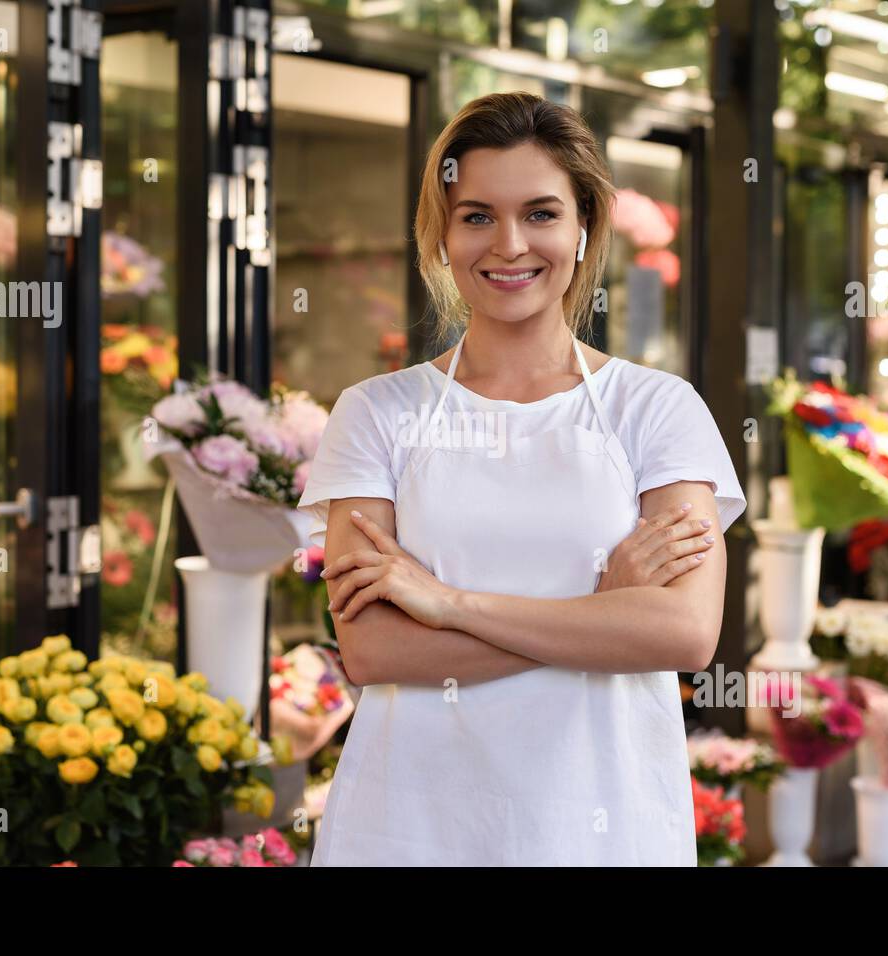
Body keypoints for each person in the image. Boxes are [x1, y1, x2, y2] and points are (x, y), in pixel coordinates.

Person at [297, 91, 745, 865]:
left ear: (582, 230)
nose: (509, 245)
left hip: (604, 824)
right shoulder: (376, 415)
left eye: (540, 213)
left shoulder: (656, 411)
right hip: (411, 826)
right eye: (476, 216)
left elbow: (684, 632)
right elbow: (373, 651)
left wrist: (448, 604)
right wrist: (601, 613)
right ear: (441, 235)